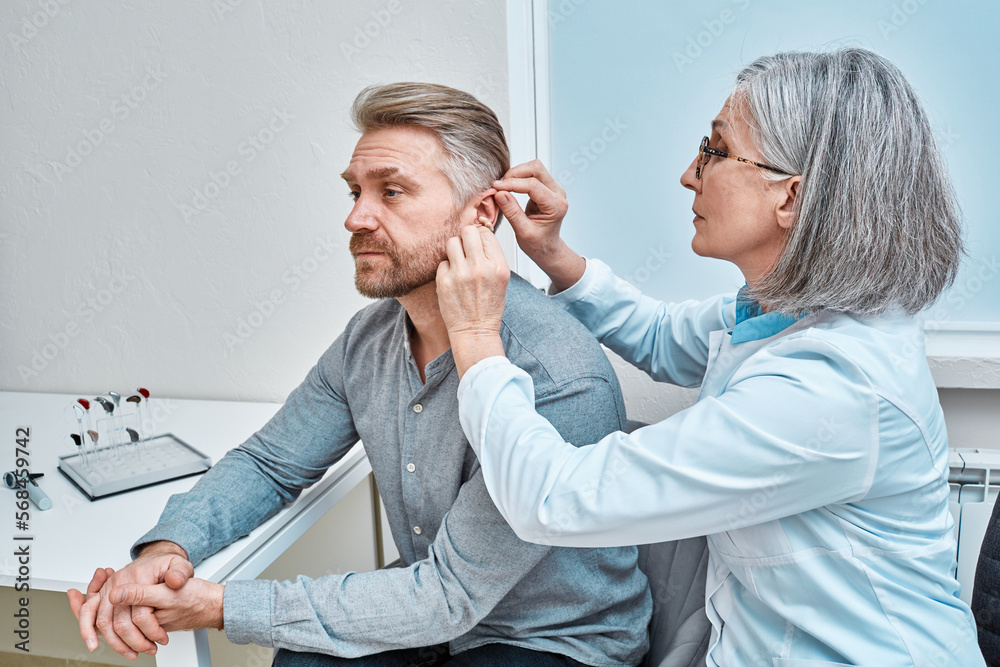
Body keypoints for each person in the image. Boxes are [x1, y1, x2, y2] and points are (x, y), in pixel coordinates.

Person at [67, 82, 653, 667]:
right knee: (300, 662)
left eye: (391, 192)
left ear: (479, 213)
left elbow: (450, 594)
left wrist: (219, 606)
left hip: (551, 640)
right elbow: (270, 463)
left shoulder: (558, 375)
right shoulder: (367, 340)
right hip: (436, 616)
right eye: (355, 191)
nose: (355, 218)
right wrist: (168, 549)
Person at [435, 48, 986, 666]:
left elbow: (554, 500)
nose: (689, 174)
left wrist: (477, 336)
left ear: (792, 199)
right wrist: (554, 254)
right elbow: (663, 336)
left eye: (716, 150)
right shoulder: (786, 310)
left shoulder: (831, 389)